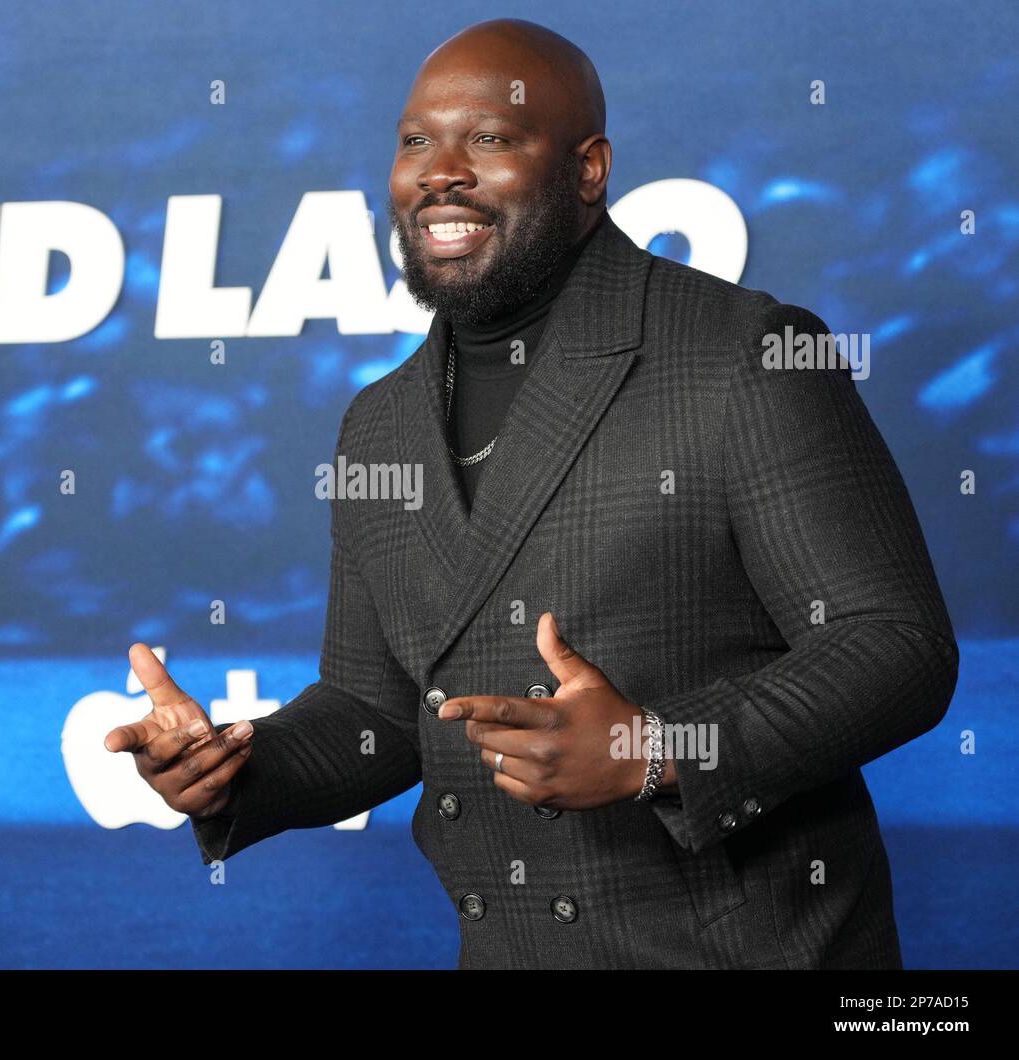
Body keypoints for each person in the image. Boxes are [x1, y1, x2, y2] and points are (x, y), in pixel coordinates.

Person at [105, 18, 958, 969]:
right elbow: (378, 712)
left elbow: (896, 646)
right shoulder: (379, 424)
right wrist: (232, 766)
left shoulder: (743, 352)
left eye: (491, 138)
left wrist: (653, 751)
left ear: (588, 169)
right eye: (416, 142)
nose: (440, 172)